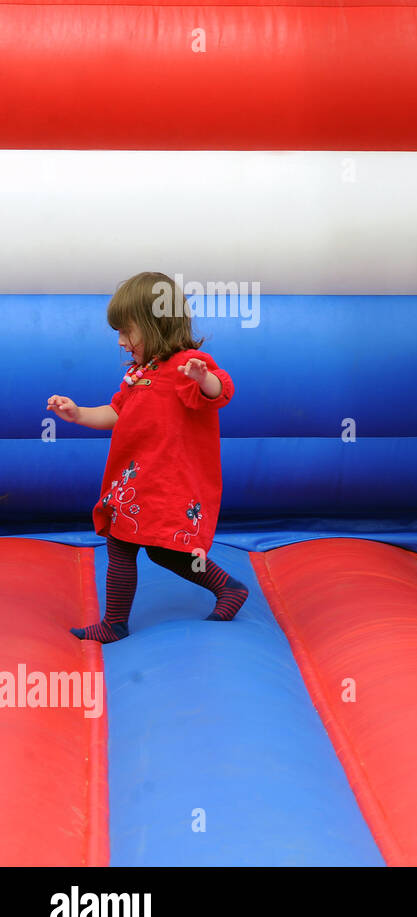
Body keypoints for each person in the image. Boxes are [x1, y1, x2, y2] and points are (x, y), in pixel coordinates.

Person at [47, 272, 246, 643]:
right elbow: (116, 412)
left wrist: (204, 379)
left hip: (166, 484)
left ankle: (222, 590)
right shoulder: (141, 375)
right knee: (138, 546)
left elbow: (222, 391)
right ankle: (122, 620)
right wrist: (77, 413)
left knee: (147, 548)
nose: (121, 343)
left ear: (158, 324)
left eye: (127, 332)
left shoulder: (188, 365)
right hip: (136, 481)